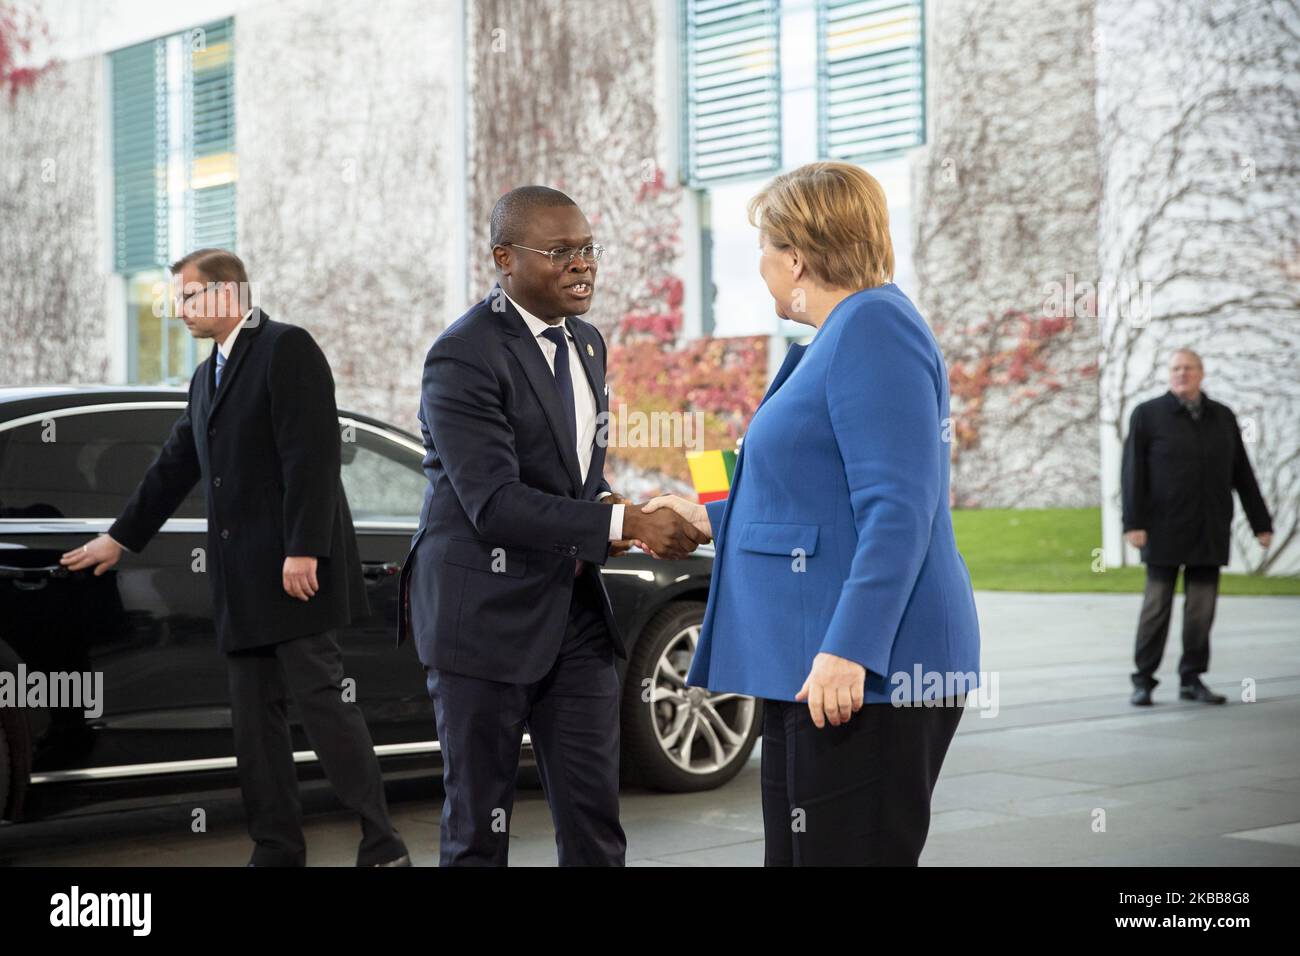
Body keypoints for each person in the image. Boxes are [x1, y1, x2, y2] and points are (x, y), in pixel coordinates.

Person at [644, 162, 980, 866]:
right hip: (814, 665)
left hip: (863, 672)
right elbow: (806, 495)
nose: (761, 266)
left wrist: (850, 648)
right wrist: (706, 516)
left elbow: (899, 509)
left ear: (796, 256)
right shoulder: (840, 334)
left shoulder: (873, 327)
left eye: (763, 248)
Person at [60, 249, 409, 867]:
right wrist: (120, 538)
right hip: (241, 582)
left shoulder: (286, 348)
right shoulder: (206, 378)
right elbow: (174, 465)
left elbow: (312, 456)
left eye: (188, 297)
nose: (179, 311)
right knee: (254, 725)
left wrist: (304, 549)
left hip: (294, 575)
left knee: (325, 709)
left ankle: (382, 845)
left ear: (227, 292)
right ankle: (276, 851)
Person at [397, 186, 706, 866]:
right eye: (560, 251)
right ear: (504, 258)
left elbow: (575, 483)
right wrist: (626, 522)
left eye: (588, 249)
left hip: (574, 616)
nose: (582, 264)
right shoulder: (462, 355)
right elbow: (495, 503)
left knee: (595, 823)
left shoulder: (588, 343)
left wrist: (634, 510)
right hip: (482, 619)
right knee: (477, 831)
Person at [1121, 348, 1273, 706]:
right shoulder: (1147, 414)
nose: (1181, 373)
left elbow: (1242, 472)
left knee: (1201, 611)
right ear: (1169, 373)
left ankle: (1192, 679)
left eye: (1188, 368)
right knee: (1156, 608)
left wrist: (1260, 522)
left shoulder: (1223, 416)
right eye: (1175, 368)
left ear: (1201, 373)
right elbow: (1132, 473)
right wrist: (1134, 523)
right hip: (1162, 528)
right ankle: (1143, 680)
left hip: (1209, 528)